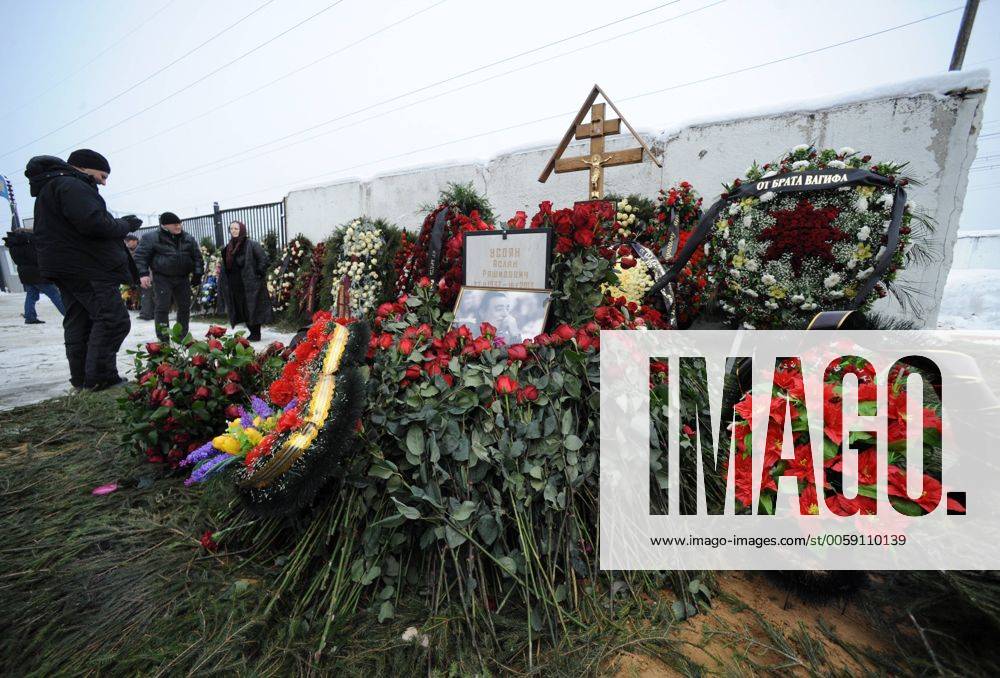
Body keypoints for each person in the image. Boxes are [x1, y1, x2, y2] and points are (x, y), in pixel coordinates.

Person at [25, 149, 141, 390]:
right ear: (84, 167)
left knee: (81, 321)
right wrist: (125, 224)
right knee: (112, 320)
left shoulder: (52, 187)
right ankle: (101, 378)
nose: (103, 183)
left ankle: (82, 378)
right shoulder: (72, 185)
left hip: (68, 267)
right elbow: (95, 224)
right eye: (102, 176)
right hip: (87, 267)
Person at [134, 211, 203, 341]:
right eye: (175, 225)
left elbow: (197, 257)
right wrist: (143, 274)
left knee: (184, 307)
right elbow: (140, 257)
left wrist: (197, 274)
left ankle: (182, 336)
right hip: (162, 278)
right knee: (162, 307)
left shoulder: (188, 238)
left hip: (182, 278)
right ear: (164, 225)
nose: (179, 227)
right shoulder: (151, 238)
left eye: (180, 224)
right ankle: (163, 339)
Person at [218, 220, 273, 341]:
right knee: (241, 309)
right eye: (231, 229)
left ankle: (255, 333)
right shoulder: (228, 248)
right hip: (235, 284)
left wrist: (258, 272)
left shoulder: (251, 244)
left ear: (242, 230)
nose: (233, 231)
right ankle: (252, 331)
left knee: (252, 309)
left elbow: (264, 259)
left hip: (251, 284)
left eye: (236, 228)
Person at [3, 226, 66, 323]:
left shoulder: (13, 244)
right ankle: (68, 314)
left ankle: (30, 317)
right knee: (54, 294)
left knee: (31, 295)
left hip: (24, 273)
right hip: (36, 273)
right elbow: (36, 258)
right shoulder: (28, 244)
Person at [124, 234, 154, 319]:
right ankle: (149, 313)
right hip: (137, 277)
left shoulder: (142, 249)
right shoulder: (129, 252)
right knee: (143, 294)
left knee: (146, 294)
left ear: (135, 241)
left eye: (128, 242)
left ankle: (146, 314)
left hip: (147, 276)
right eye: (126, 242)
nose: (127, 244)